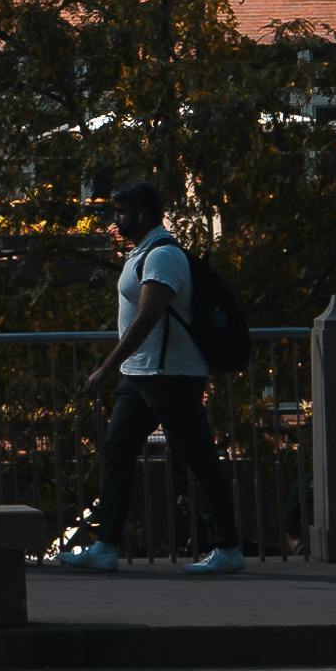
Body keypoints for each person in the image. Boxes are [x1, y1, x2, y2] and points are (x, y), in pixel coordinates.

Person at [49, 178, 242, 576]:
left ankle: (229, 548)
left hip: (170, 376)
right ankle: (105, 546)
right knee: (116, 451)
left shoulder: (163, 256)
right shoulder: (141, 254)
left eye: (121, 213)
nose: (115, 220)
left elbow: (148, 317)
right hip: (141, 375)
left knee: (200, 458)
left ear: (142, 214)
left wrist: (105, 366)